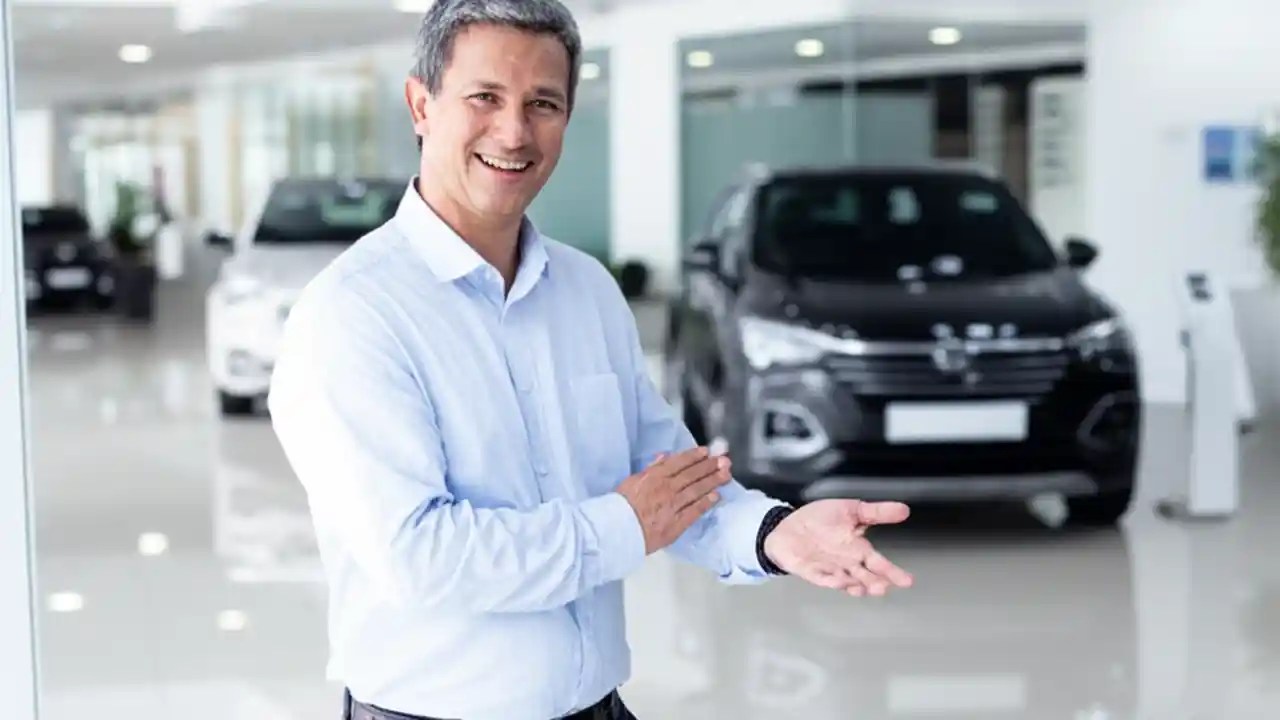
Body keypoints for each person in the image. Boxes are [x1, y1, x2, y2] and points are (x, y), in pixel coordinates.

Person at [267, 1, 914, 719]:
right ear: (422, 104)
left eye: (542, 103)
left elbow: (664, 475)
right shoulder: (351, 314)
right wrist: (624, 526)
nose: (514, 132)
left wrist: (771, 533)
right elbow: (421, 557)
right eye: (485, 97)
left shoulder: (586, 291)